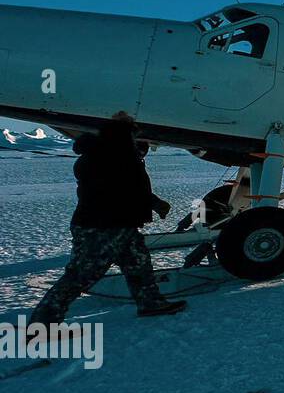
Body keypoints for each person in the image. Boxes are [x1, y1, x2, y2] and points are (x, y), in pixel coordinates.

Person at [29, 112, 186, 328]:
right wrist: (148, 202)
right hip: (101, 226)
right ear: (124, 134)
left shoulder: (113, 154)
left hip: (121, 224)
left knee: (138, 264)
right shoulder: (110, 156)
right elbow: (117, 189)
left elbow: (129, 187)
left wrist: (154, 203)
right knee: (81, 274)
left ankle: (151, 303)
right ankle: (44, 322)